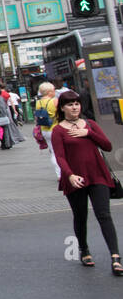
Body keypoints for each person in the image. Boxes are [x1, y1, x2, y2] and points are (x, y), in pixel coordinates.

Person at [50, 92, 121, 275]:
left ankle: (115, 257)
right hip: (75, 179)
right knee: (80, 216)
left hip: (98, 175)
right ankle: (84, 250)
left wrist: (88, 133)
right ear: (62, 108)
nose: (74, 107)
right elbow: (60, 157)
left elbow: (107, 146)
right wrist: (70, 175)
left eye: (77, 104)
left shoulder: (90, 125)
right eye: (70, 104)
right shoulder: (58, 130)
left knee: (104, 215)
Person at [34, 82, 59, 163]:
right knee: (59, 152)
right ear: (49, 92)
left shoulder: (38, 102)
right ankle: (60, 171)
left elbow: (37, 117)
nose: (55, 92)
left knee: (52, 151)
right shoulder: (54, 101)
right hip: (56, 128)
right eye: (53, 90)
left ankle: (58, 171)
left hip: (44, 130)